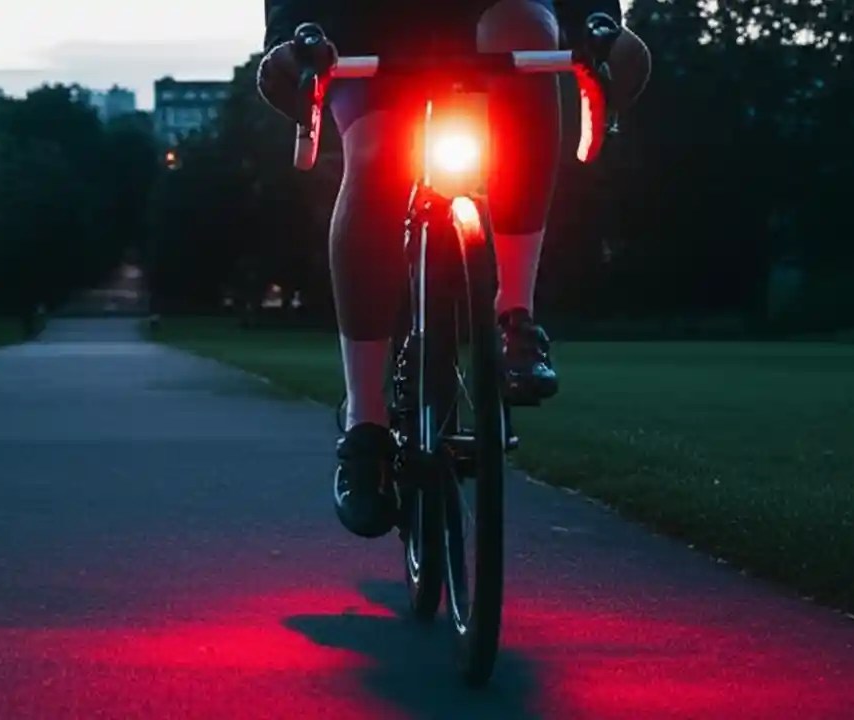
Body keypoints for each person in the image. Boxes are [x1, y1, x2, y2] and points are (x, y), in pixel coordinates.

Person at [257, 1, 651, 538]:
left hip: (487, 13)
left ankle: (516, 316)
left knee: (530, 34)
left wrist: (597, 25)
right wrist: (288, 39)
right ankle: (364, 420)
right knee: (376, 158)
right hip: (365, 23)